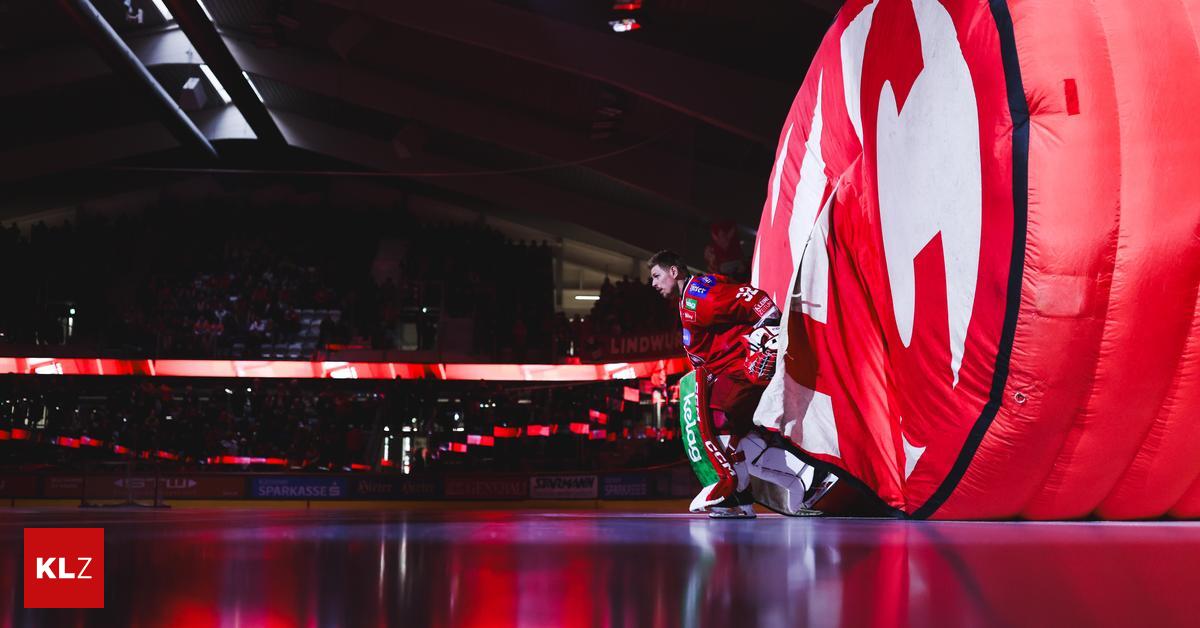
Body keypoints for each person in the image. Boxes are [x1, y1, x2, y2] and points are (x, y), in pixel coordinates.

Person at [649, 250, 782, 518]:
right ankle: (742, 500)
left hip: (740, 370)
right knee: (740, 437)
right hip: (730, 372)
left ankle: (736, 496)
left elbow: (757, 300)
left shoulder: (700, 297)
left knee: (717, 420)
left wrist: (770, 332)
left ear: (674, 272)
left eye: (656, 276)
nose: (653, 283)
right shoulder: (690, 298)